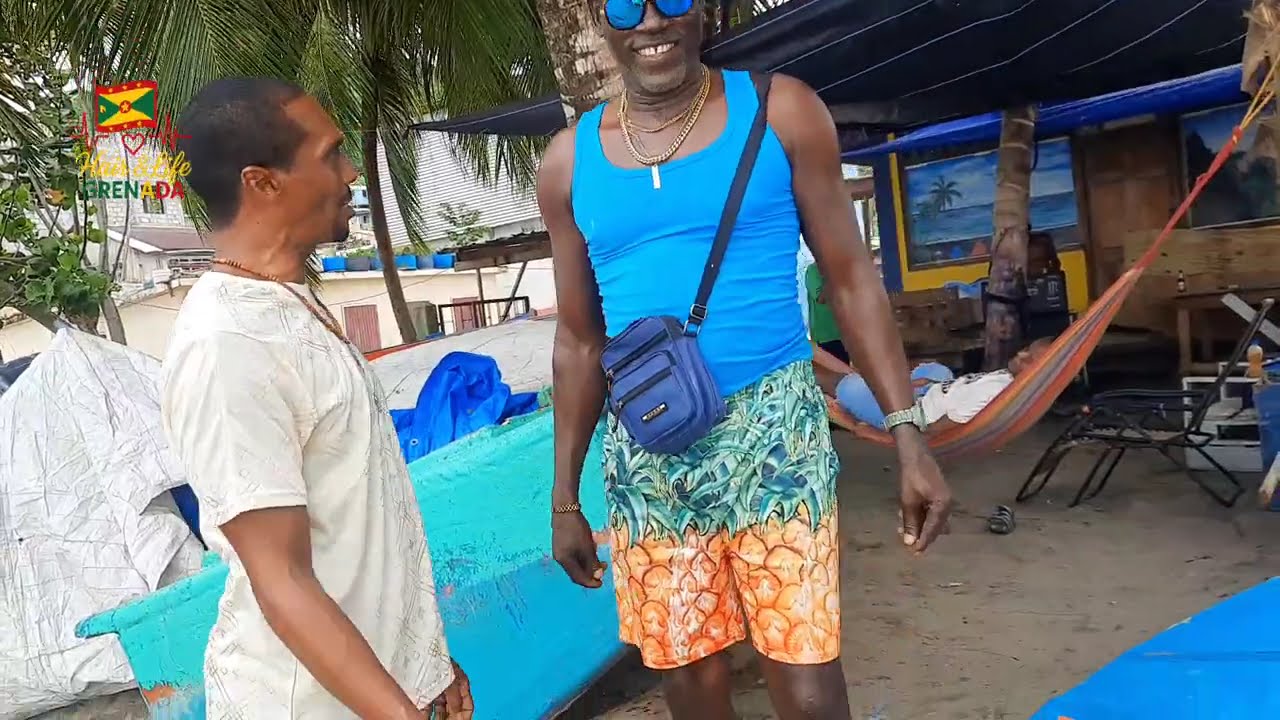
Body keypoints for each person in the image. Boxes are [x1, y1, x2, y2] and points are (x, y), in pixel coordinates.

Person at [537, 2, 953, 718]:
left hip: (778, 434)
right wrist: (565, 499)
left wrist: (907, 433)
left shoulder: (781, 111)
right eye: (624, 5)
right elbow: (578, 342)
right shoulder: (567, 162)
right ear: (602, 22)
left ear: (704, 10)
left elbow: (852, 278)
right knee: (688, 672)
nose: (649, 21)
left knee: (803, 665)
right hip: (649, 448)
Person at [161, 78, 472, 720]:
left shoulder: (287, 302)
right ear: (263, 182)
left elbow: (360, 524)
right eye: (331, 154)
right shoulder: (227, 343)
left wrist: (425, 663)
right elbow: (282, 580)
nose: (352, 171)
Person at [816, 339, 1054, 432]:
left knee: (845, 385)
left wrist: (892, 428)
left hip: (913, 412)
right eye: (1026, 349)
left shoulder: (994, 394)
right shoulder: (1008, 380)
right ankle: (883, 382)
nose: (1021, 354)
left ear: (1038, 373)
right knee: (937, 369)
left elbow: (934, 431)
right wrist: (930, 385)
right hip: (935, 391)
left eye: (1029, 359)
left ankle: (859, 391)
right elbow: (961, 387)